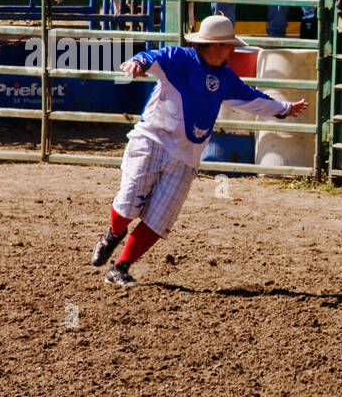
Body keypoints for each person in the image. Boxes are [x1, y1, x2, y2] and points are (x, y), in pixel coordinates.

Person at [90, 15, 307, 287]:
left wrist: (284, 109)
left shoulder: (225, 77)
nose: (233, 50)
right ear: (214, 46)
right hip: (152, 140)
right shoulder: (180, 59)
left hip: (187, 156)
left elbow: (251, 98)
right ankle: (113, 234)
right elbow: (152, 56)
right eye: (229, 45)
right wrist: (137, 63)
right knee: (128, 203)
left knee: (159, 219)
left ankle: (120, 266)